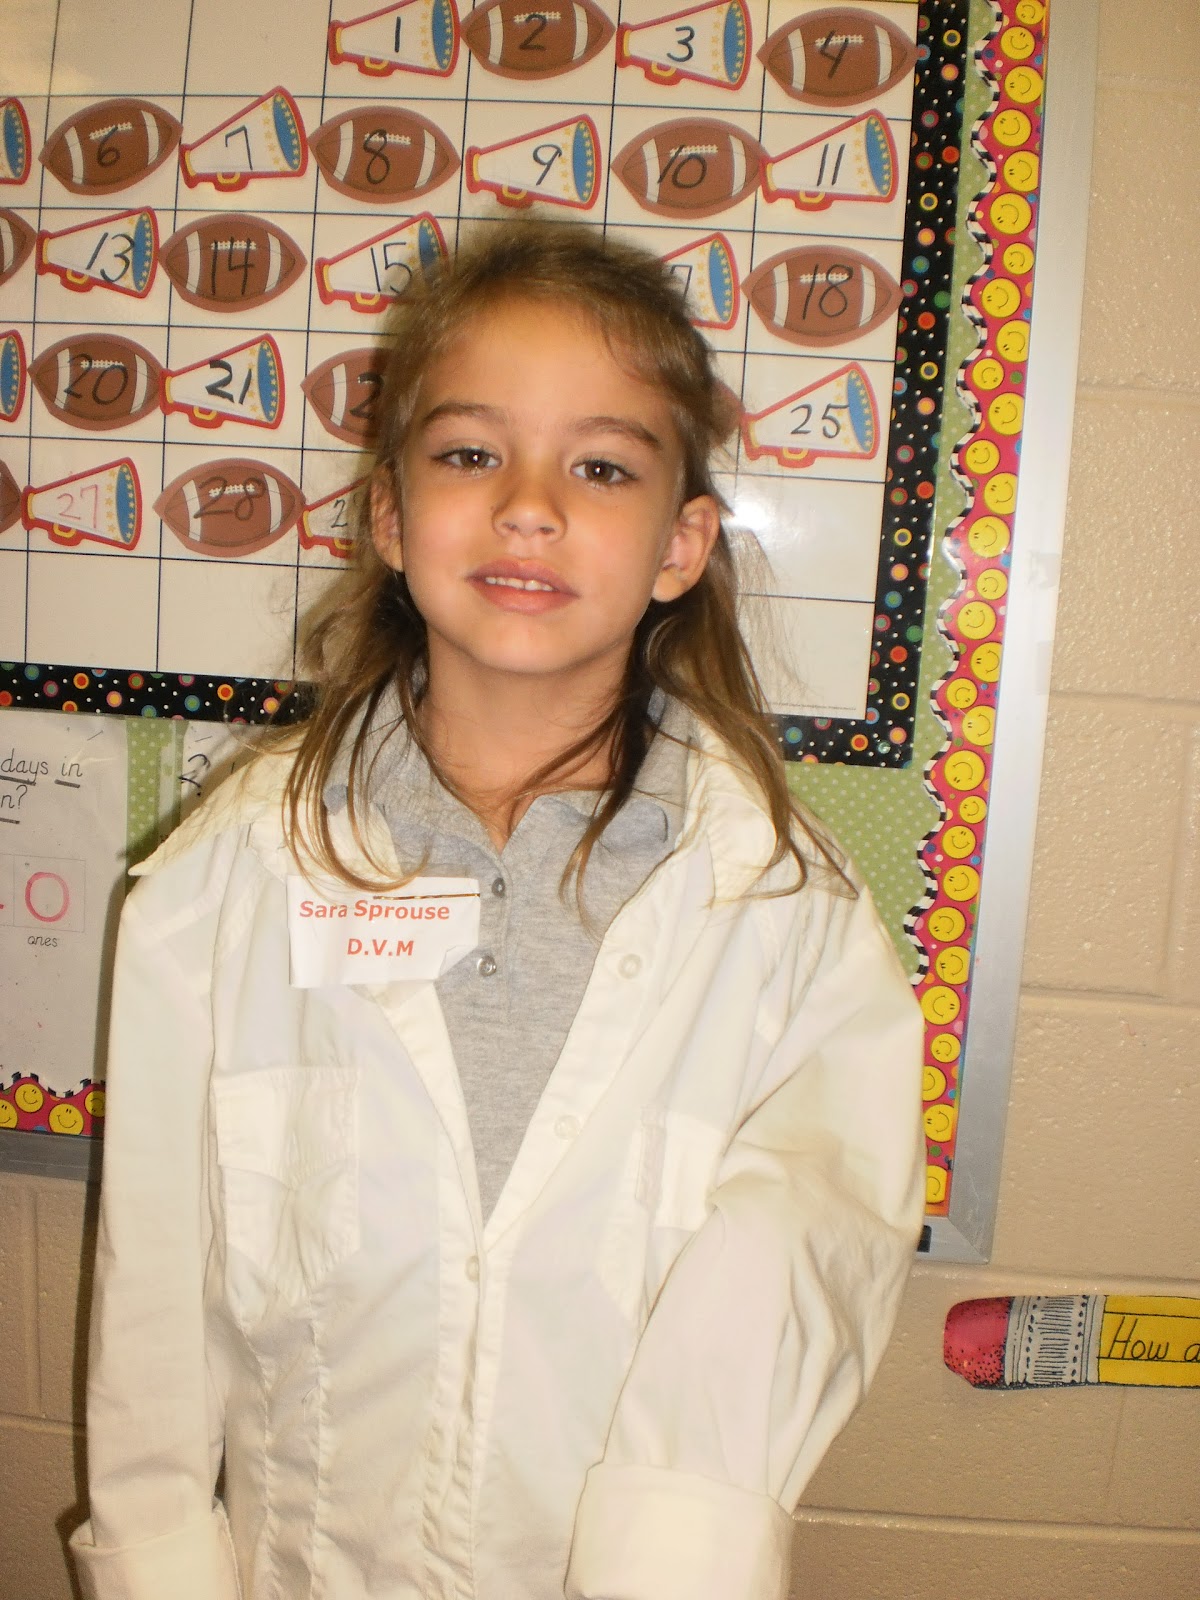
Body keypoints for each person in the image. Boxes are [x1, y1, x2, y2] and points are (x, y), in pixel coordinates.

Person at [71, 218, 924, 1600]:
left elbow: (811, 1237)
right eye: (472, 453)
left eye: (600, 466)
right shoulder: (225, 881)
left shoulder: (779, 907)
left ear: (680, 543)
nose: (530, 505)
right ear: (393, 517)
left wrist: (674, 1553)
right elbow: (156, 1292)